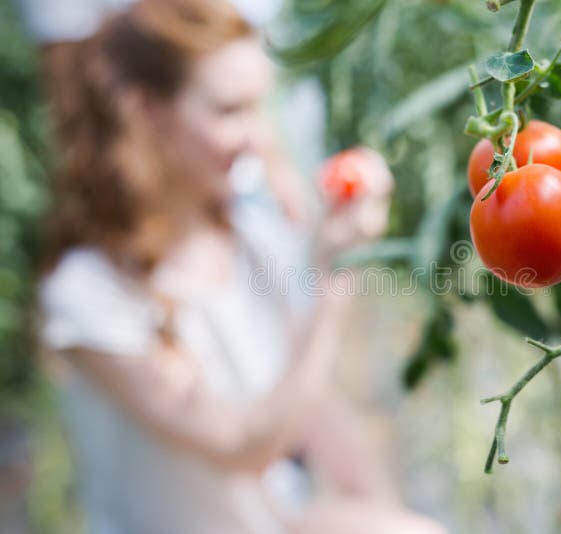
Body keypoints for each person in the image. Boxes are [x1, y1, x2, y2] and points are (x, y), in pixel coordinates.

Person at [34, 0, 446, 532]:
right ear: (147, 113)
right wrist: (335, 281)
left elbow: (318, 414)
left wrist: (390, 515)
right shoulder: (90, 293)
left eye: (260, 107)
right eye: (230, 111)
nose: (259, 138)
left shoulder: (253, 239)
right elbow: (242, 447)